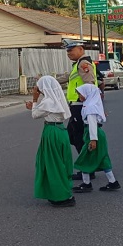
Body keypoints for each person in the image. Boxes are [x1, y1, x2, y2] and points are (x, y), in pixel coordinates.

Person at [25, 76, 75, 207]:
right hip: (60, 131)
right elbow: (40, 112)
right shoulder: (57, 98)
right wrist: (34, 106)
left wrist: (35, 99)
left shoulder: (47, 101)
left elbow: (35, 115)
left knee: (53, 164)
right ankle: (62, 192)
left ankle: (61, 196)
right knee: (61, 163)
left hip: (52, 132)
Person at [72, 83, 120, 192]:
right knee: (103, 157)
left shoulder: (90, 108)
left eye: (80, 94)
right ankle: (112, 182)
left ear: (88, 93)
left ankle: (86, 183)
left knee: (85, 157)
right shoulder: (94, 104)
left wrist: (93, 140)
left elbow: (92, 124)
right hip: (99, 133)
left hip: (92, 134)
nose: (79, 97)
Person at [63, 39, 97, 180]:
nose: (68, 53)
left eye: (71, 50)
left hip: (80, 106)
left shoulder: (84, 64)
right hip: (76, 105)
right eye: (67, 50)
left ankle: (87, 169)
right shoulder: (78, 65)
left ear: (81, 49)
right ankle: (88, 167)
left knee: (79, 137)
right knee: (73, 135)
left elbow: (89, 83)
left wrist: (86, 101)